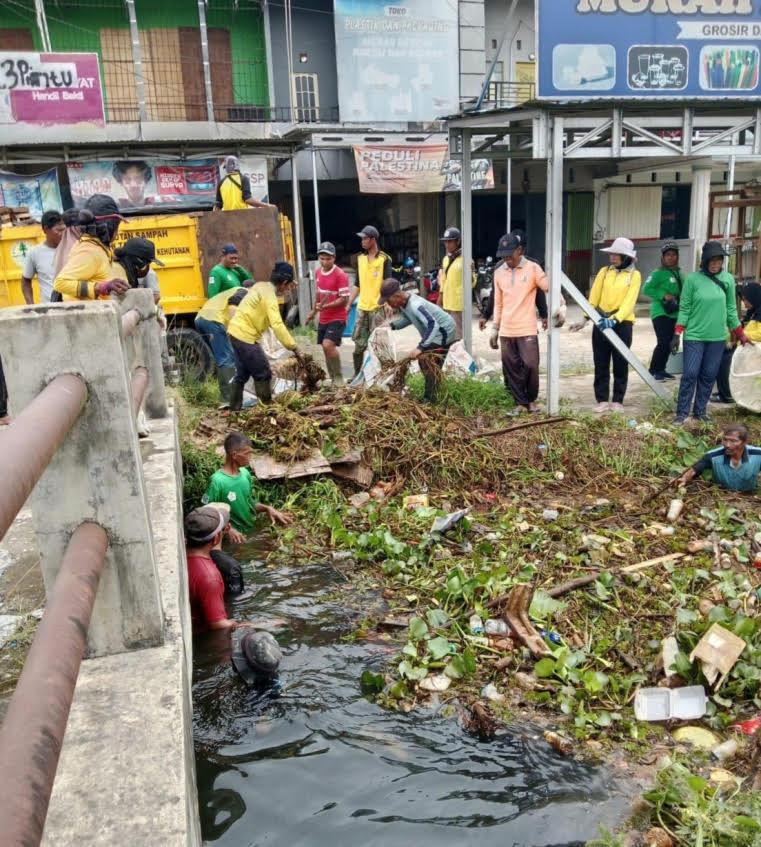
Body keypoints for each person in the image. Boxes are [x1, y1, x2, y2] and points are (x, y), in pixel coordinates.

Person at [673, 241, 749, 425]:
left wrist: (740, 334)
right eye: (712, 260)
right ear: (704, 261)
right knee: (690, 373)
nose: (716, 264)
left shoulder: (728, 280)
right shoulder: (692, 280)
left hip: (717, 337)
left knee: (708, 375)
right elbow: (684, 308)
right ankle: (682, 413)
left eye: (719, 260)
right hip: (695, 336)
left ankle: (700, 411)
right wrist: (677, 333)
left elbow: (731, 309)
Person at [570, 236, 641, 413]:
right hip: (601, 321)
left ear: (626, 257)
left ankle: (618, 400)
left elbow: (629, 302)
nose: (612, 257)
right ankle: (601, 399)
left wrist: (615, 319)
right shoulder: (604, 272)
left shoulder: (634, 275)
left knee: (620, 362)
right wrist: (586, 318)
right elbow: (593, 297)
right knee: (601, 361)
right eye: (612, 254)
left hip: (622, 324)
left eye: (617, 254)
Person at [487, 231, 549, 414]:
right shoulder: (498, 273)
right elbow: (498, 303)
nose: (507, 259)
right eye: (503, 255)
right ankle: (520, 403)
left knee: (531, 365)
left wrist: (558, 306)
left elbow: (548, 287)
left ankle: (531, 400)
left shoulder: (533, 269)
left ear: (520, 250)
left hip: (527, 328)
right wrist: (495, 328)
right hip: (506, 330)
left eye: (510, 254)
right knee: (512, 368)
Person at [227, 262, 302, 408]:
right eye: (288, 286)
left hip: (235, 333)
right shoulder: (270, 297)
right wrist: (294, 347)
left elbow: (259, 314)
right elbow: (278, 325)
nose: (287, 290)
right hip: (244, 336)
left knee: (242, 373)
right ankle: (267, 411)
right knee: (263, 372)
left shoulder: (261, 286)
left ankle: (233, 409)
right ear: (284, 283)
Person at [379, 277, 456, 403]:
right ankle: (432, 395)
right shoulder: (404, 304)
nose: (388, 304)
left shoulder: (415, 305)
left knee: (428, 363)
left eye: (388, 300)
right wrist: (392, 326)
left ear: (396, 295)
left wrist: (420, 347)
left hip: (443, 333)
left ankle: (431, 399)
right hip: (436, 332)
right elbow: (408, 318)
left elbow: (433, 324)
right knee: (427, 363)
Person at [204, 431, 292, 536]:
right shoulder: (217, 481)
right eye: (247, 453)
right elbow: (206, 514)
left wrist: (267, 508)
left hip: (248, 532)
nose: (250, 457)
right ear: (234, 455)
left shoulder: (245, 474)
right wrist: (228, 529)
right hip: (231, 538)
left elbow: (250, 503)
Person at [52, 195, 130, 301]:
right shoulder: (89, 251)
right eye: (117, 226)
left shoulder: (98, 246)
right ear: (110, 226)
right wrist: (100, 287)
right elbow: (60, 283)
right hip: (87, 316)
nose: (117, 232)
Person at [185, 504, 239, 633]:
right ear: (216, 538)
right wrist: (259, 625)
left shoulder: (180, 555)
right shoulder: (210, 577)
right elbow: (218, 624)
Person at [195, 285, 252, 407]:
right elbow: (233, 305)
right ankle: (229, 399)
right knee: (227, 358)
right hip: (213, 320)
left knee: (222, 357)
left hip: (201, 319)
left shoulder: (231, 291)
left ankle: (227, 395)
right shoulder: (245, 291)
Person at [305, 241, 350, 387]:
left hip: (338, 317)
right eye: (322, 258)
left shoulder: (340, 275)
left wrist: (325, 306)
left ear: (334, 258)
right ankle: (331, 378)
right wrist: (313, 312)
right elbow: (319, 295)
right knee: (325, 348)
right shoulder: (318, 273)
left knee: (328, 345)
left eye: (328, 259)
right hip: (323, 318)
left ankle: (338, 378)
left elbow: (344, 299)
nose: (324, 262)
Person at [350, 225, 392, 377]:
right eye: (361, 238)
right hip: (362, 308)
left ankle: (383, 376)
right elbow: (357, 284)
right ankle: (356, 376)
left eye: (364, 238)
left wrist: (387, 302)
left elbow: (388, 283)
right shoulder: (360, 259)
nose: (362, 241)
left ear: (373, 239)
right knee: (359, 346)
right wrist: (349, 303)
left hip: (378, 308)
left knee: (379, 346)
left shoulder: (384, 259)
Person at [676, 423, 761, 492]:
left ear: (744, 442)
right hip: (721, 496)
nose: (727, 445)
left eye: (733, 441)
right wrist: (684, 478)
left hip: (749, 496)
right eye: (725, 440)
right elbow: (696, 469)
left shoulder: (758, 455)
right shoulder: (713, 456)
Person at [642, 242, 683, 381]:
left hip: (675, 313)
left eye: (674, 255)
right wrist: (663, 294)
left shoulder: (680, 272)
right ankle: (653, 370)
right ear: (663, 257)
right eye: (668, 255)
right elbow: (646, 289)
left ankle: (661, 369)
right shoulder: (658, 273)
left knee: (671, 342)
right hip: (660, 312)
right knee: (663, 341)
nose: (671, 257)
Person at [21, 210, 65, 304]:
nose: (62, 233)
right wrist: (30, 305)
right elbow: (25, 281)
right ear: (45, 230)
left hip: (73, 307)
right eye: (58, 230)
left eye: (64, 229)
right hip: (49, 310)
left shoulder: (72, 249)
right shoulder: (35, 253)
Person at [437, 226, 468, 341]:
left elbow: (472, 282)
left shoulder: (466, 259)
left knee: (459, 336)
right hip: (447, 304)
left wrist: (471, 271)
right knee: (448, 333)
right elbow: (443, 280)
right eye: (445, 242)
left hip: (458, 305)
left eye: (450, 241)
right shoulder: (446, 259)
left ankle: (462, 356)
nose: (447, 244)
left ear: (458, 241)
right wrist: (440, 297)